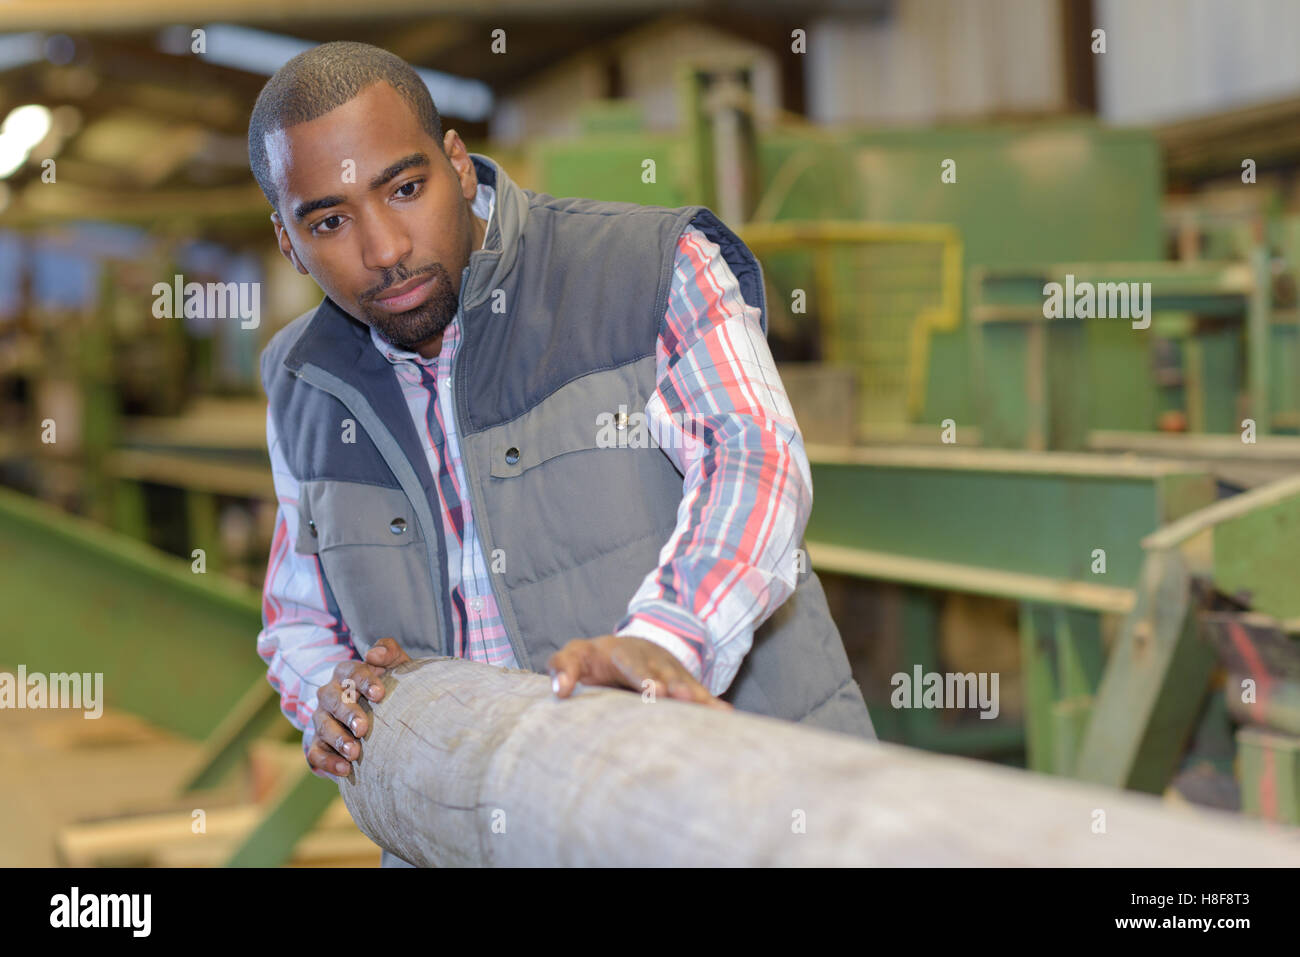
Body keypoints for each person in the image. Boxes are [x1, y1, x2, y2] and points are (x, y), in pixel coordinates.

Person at [249, 41, 874, 864]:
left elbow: (753, 462)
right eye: (329, 220)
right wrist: (325, 693)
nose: (385, 248)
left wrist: (669, 642)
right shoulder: (302, 382)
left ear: (459, 165)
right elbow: (297, 613)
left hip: (739, 825)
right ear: (288, 243)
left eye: (405, 189)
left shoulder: (645, 271)